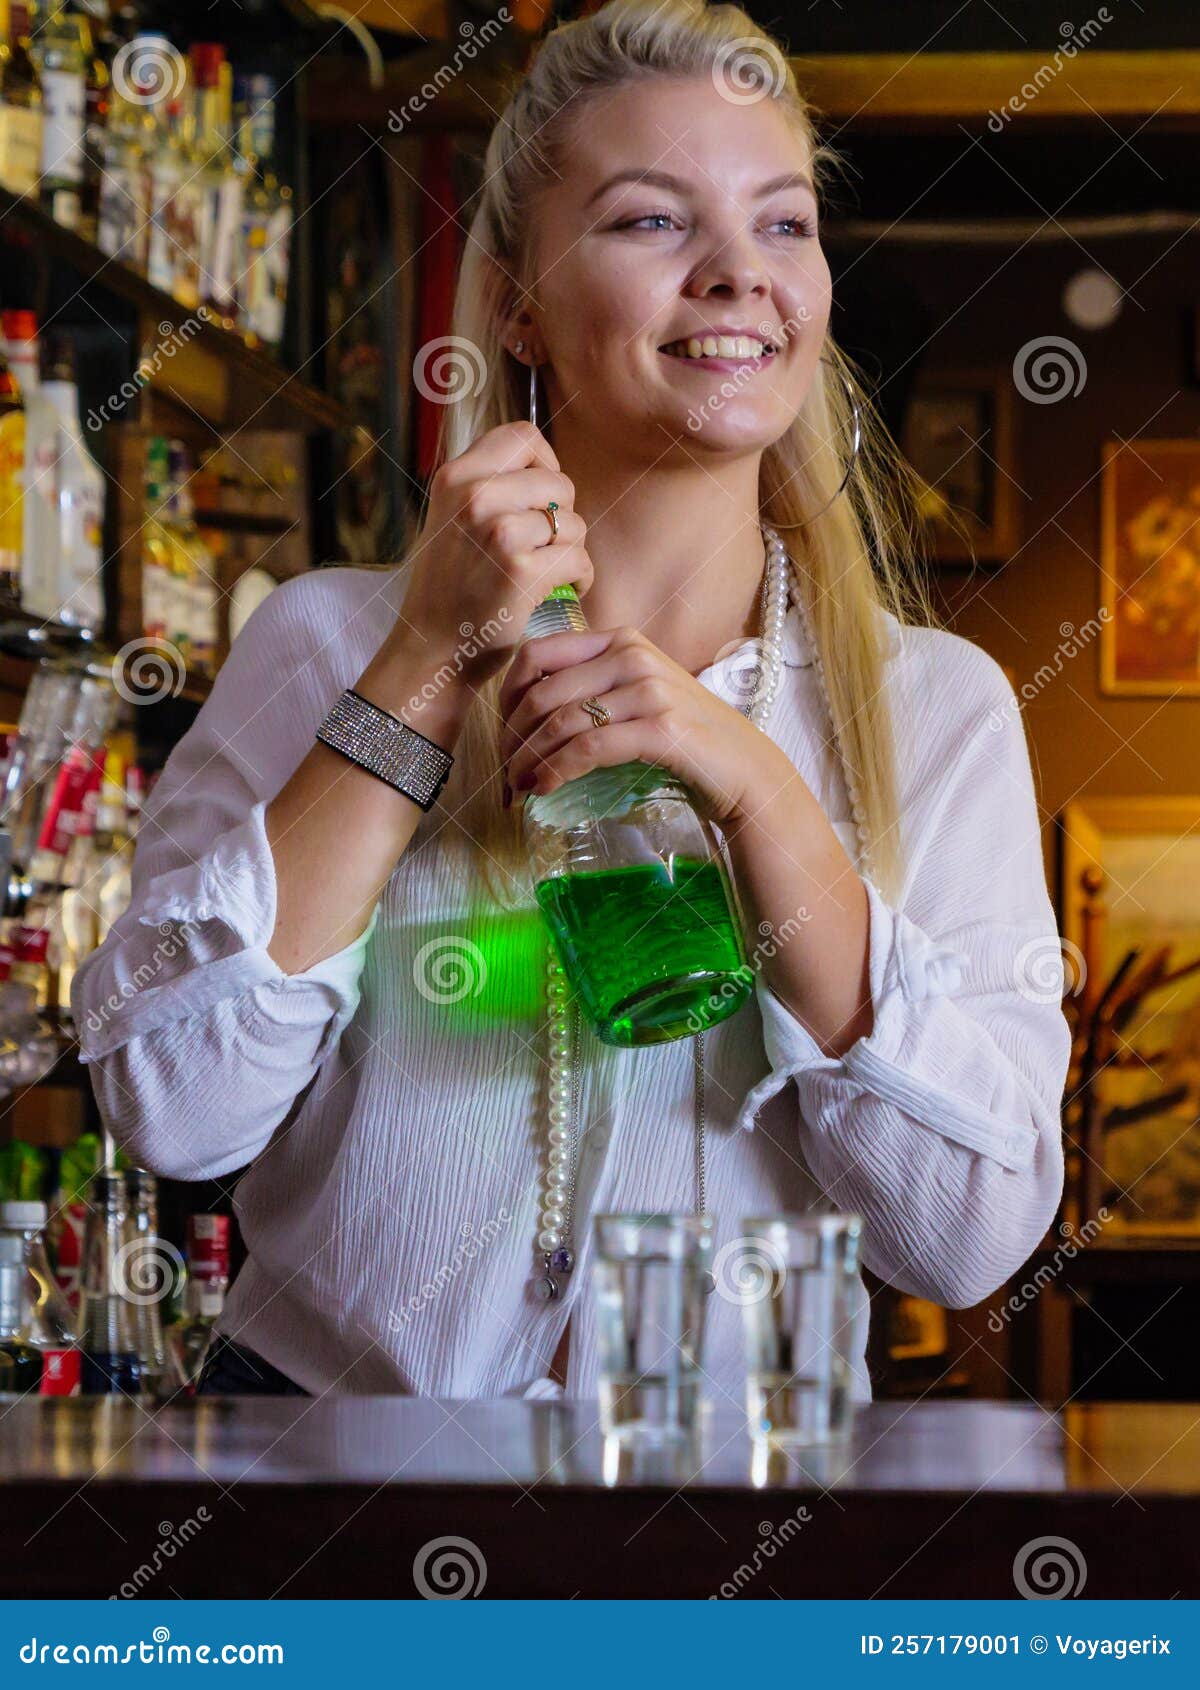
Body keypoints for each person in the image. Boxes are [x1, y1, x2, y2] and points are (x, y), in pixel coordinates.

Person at [72, 0, 1070, 1401]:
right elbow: (173, 1110)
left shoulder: (935, 707)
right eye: (654, 220)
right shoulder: (326, 641)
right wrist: (425, 662)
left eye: (784, 224)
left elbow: (968, 1238)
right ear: (518, 302)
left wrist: (759, 792)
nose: (740, 273)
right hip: (328, 1487)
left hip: (730, 1500)